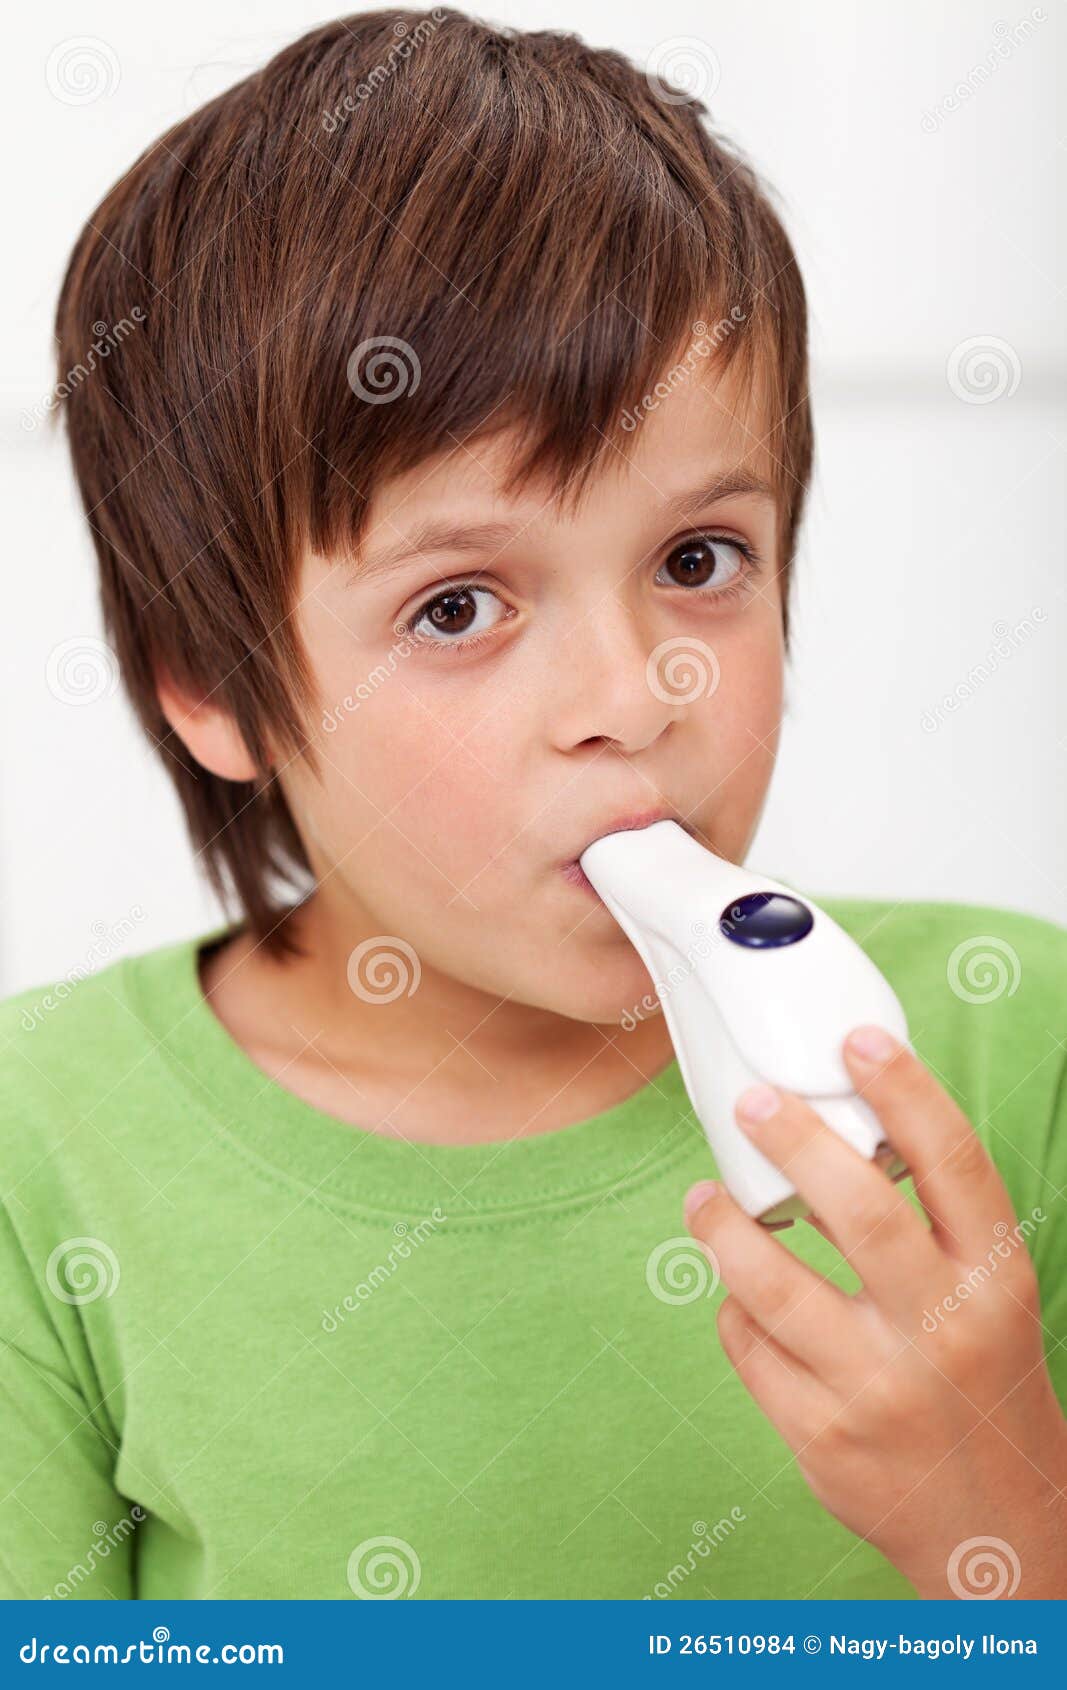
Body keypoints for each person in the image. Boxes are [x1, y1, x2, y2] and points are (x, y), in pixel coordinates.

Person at [2, 7, 1064, 1600]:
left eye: (699, 561)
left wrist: (1010, 1530)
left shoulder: (1015, 1045)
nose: (637, 699)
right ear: (209, 686)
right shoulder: (41, 1159)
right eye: (457, 607)